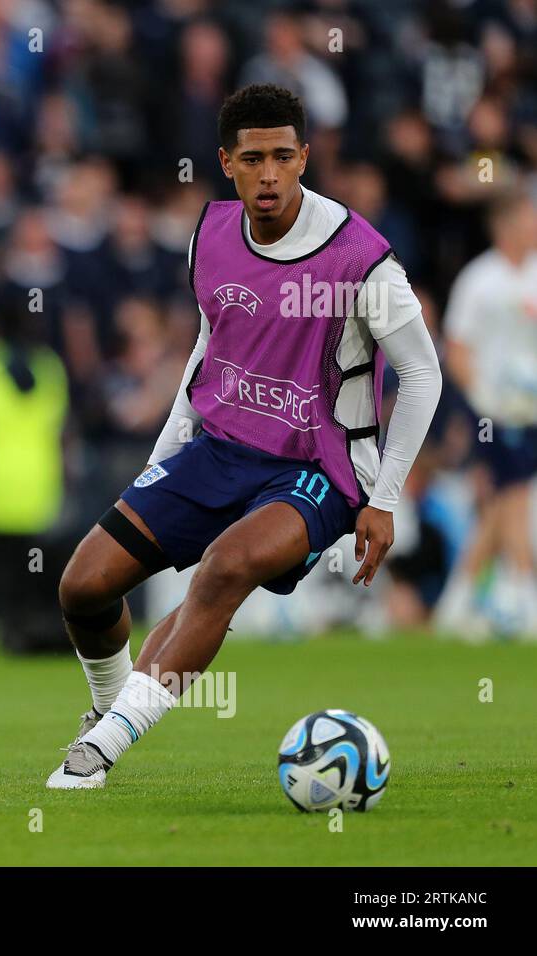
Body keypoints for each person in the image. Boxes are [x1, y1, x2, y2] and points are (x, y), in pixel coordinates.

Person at [47, 84, 442, 789]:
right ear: (226, 162)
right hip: (219, 447)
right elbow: (207, 346)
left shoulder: (363, 257)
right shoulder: (210, 231)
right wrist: (160, 459)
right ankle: (111, 710)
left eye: (284, 157)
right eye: (253, 158)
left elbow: (423, 374)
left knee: (225, 568)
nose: (269, 174)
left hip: (316, 466)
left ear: (305, 158)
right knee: (83, 586)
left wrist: (383, 496)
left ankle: (100, 750)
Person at [436, 192, 537, 639]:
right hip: (494, 415)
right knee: (514, 498)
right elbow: (456, 348)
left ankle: (455, 606)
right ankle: (527, 597)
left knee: (498, 508)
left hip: (531, 410)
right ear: (506, 225)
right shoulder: (480, 280)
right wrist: (486, 397)